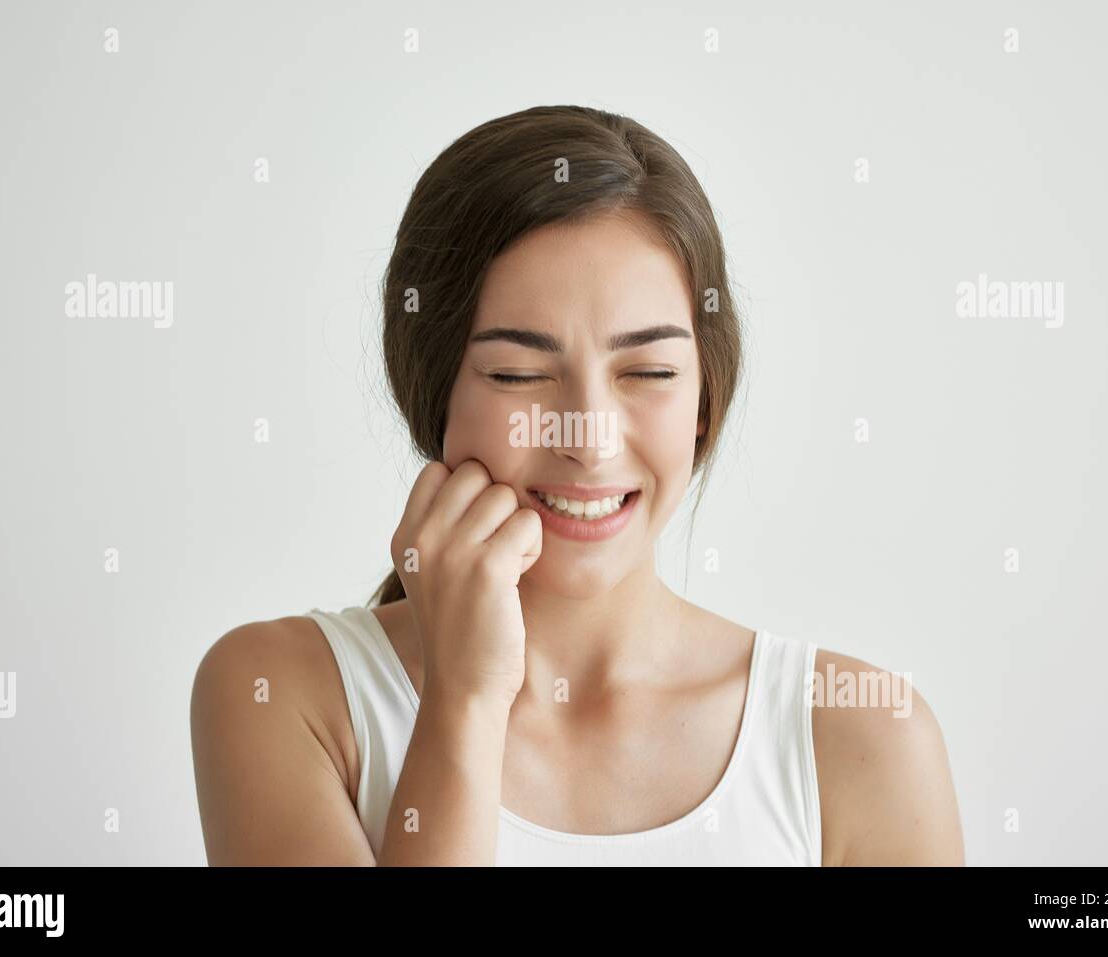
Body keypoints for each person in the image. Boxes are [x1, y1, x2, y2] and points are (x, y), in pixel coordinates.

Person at [190, 105, 964, 866]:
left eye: (649, 372)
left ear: (704, 397)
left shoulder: (862, 738)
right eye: (520, 374)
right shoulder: (280, 692)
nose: (588, 440)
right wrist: (464, 702)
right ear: (436, 394)